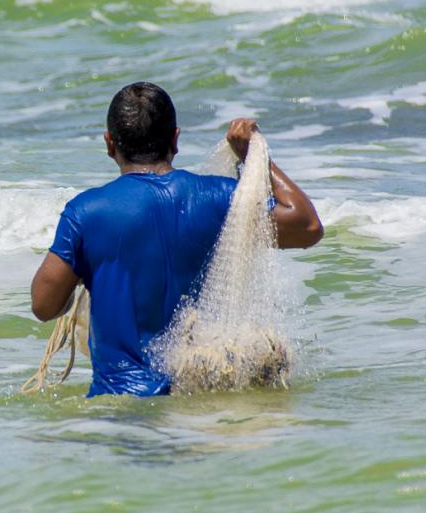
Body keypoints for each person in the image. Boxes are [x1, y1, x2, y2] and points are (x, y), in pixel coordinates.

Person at [30, 82, 323, 397]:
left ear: (109, 144)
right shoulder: (220, 198)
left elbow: (44, 305)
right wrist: (255, 159)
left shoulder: (85, 213)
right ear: (175, 139)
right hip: (199, 403)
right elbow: (307, 226)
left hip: (117, 405)